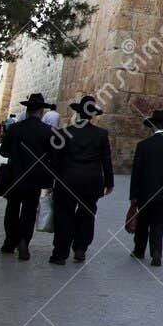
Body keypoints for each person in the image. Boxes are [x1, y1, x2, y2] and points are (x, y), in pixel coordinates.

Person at [48, 95, 113, 265]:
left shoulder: (64, 133)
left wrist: (52, 182)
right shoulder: (101, 135)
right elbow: (106, 160)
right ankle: (80, 249)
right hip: (91, 181)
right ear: (92, 115)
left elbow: (55, 161)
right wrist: (109, 182)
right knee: (87, 214)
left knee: (64, 215)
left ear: (78, 114)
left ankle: (60, 253)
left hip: (67, 180)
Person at [0, 93, 55, 260]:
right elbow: (52, 157)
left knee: (12, 209)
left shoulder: (15, 129)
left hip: (14, 176)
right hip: (34, 179)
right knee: (29, 211)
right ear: (41, 111)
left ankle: (9, 242)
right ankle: (24, 242)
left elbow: (3, 151)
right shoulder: (48, 132)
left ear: (27, 109)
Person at [129, 108, 163, 266]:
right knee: (158, 221)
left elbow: (136, 172)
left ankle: (139, 250)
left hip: (145, 193)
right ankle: (156, 253)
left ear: (152, 125)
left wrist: (133, 194)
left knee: (143, 222)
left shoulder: (143, 145)